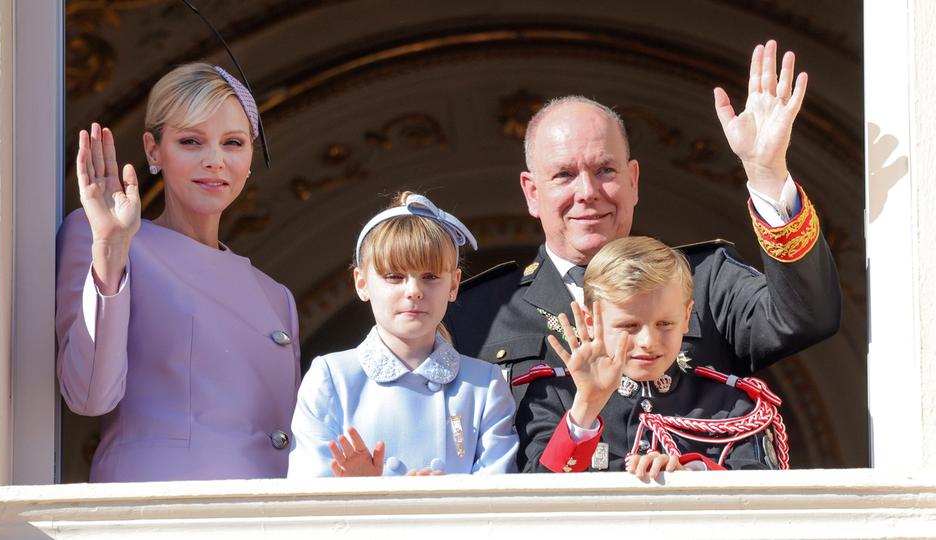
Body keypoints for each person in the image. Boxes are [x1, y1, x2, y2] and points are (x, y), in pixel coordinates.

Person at [443, 40, 841, 469]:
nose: (587, 193)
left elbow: (807, 316)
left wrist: (767, 174)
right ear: (532, 192)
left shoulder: (705, 279)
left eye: (605, 171)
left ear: (633, 180)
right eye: (563, 175)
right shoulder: (476, 314)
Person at [56, 63, 301, 482]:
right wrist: (112, 245)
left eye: (233, 143)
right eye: (191, 141)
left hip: (265, 514)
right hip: (162, 513)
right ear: (154, 150)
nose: (215, 161)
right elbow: (89, 395)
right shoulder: (105, 237)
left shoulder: (276, 296)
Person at [288, 193, 518, 477]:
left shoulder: (485, 384)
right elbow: (307, 498)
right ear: (362, 283)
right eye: (394, 277)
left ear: (454, 284)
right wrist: (370, 495)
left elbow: (500, 502)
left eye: (431, 276)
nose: (414, 291)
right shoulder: (331, 378)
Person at [519, 236, 787, 477]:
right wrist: (586, 408)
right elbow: (534, 505)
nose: (648, 342)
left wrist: (692, 475)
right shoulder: (554, 396)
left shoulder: (731, 406)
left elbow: (762, 499)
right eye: (629, 326)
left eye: (664, 324)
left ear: (686, 317)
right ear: (590, 322)